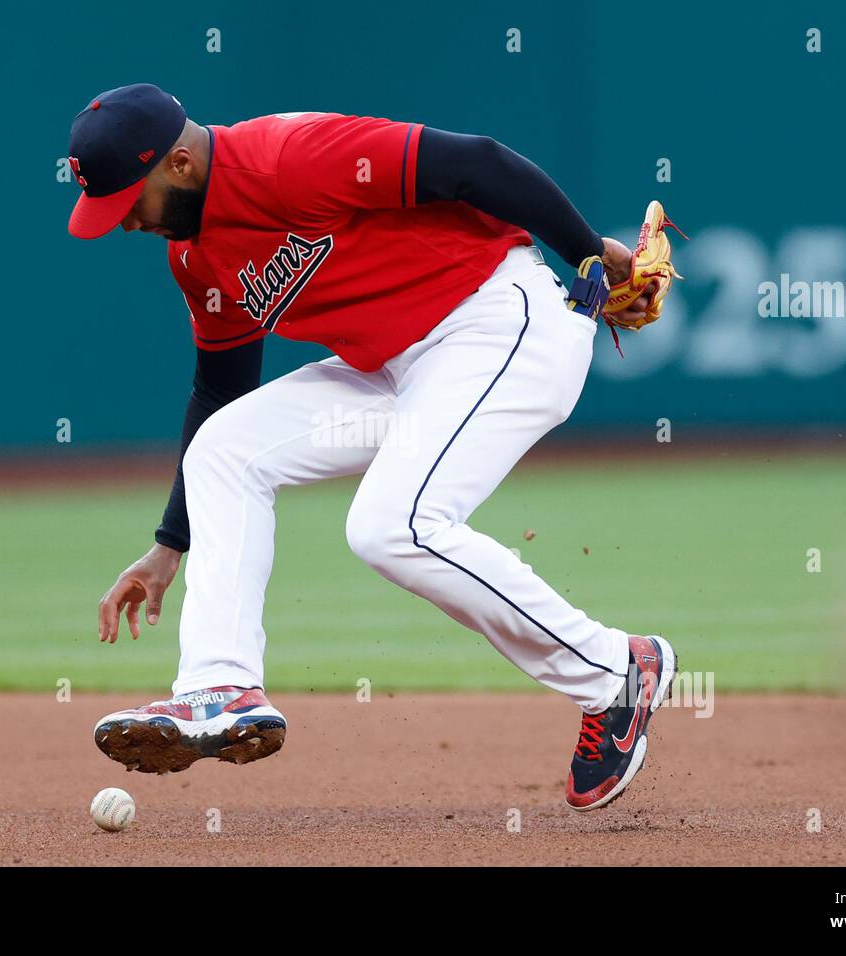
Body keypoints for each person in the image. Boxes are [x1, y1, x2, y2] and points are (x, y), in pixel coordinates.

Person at [70, 83, 676, 811]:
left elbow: (475, 163)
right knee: (224, 447)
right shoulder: (195, 260)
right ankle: (217, 688)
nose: (124, 222)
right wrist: (170, 544)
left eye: (128, 200)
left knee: (392, 527)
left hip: (495, 319)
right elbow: (219, 391)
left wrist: (584, 253)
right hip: (394, 372)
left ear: (179, 164)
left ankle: (616, 672)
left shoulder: (289, 156)